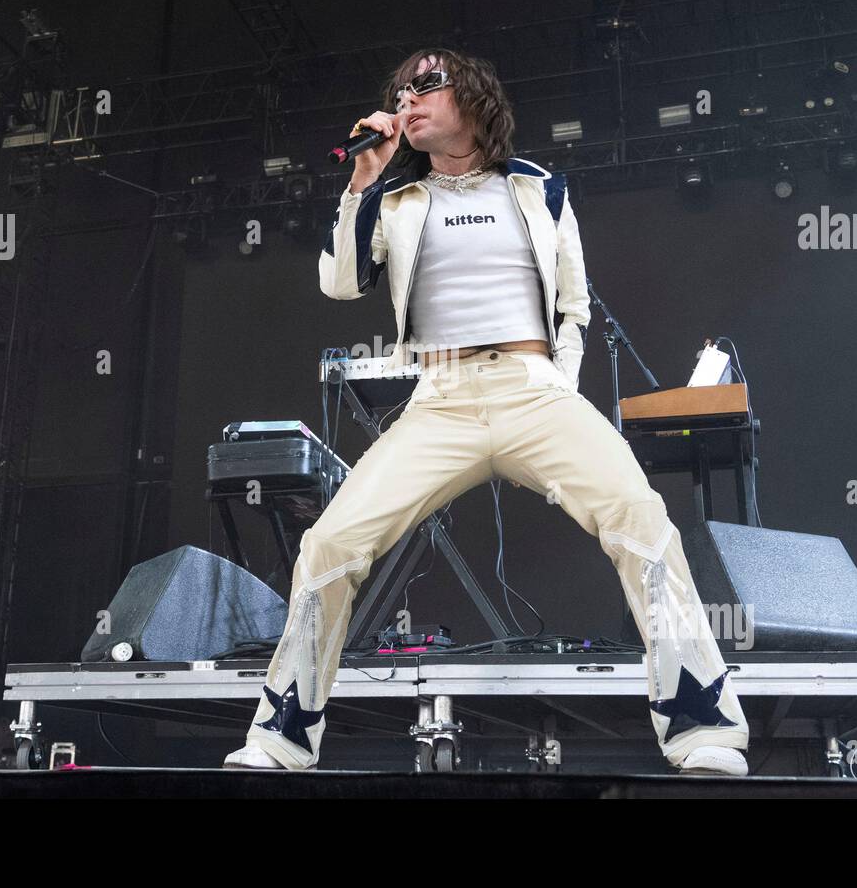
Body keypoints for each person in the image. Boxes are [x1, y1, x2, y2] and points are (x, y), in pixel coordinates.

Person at [224, 48, 750, 776]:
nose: (408, 98)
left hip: (533, 390)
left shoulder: (539, 190)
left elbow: (574, 305)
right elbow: (340, 282)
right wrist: (364, 176)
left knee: (642, 522)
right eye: (400, 90)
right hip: (440, 401)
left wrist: (557, 387)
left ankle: (703, 730)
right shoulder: (399, 202)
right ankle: (280, 737)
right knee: (329, 546)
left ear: (473, 99)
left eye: (427, 85)